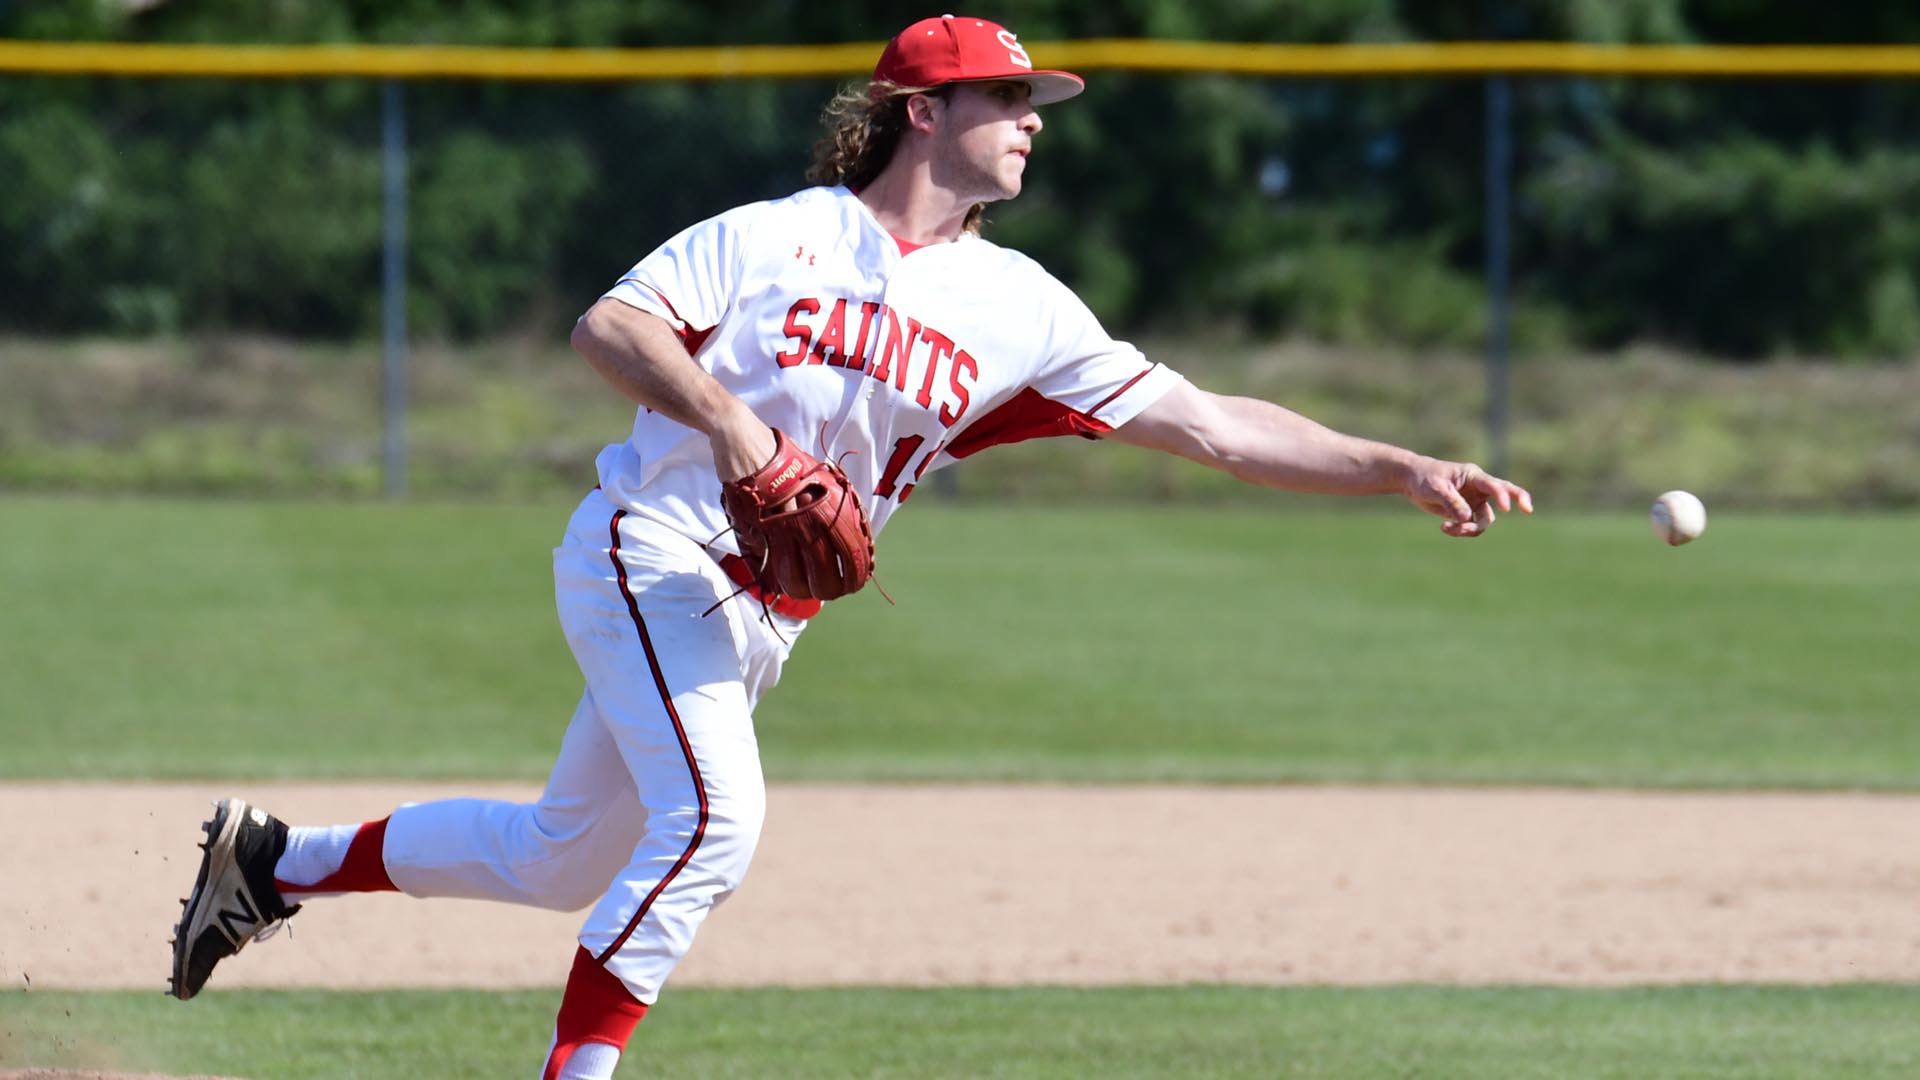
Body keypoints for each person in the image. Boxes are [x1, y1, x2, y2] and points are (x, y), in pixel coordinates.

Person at [167, 14, 1533, 1079]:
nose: (1031, 126)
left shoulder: (1023, 307)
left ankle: (273, 863)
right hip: (654, 550)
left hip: (763, 619)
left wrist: (1398, 465)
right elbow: (611, 328)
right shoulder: (775, 239)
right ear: (921, 111)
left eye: (1035, 105)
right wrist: (732, 428)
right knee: (715, 825)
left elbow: (1216, 424)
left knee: (564, 858)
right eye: (1009, 100)